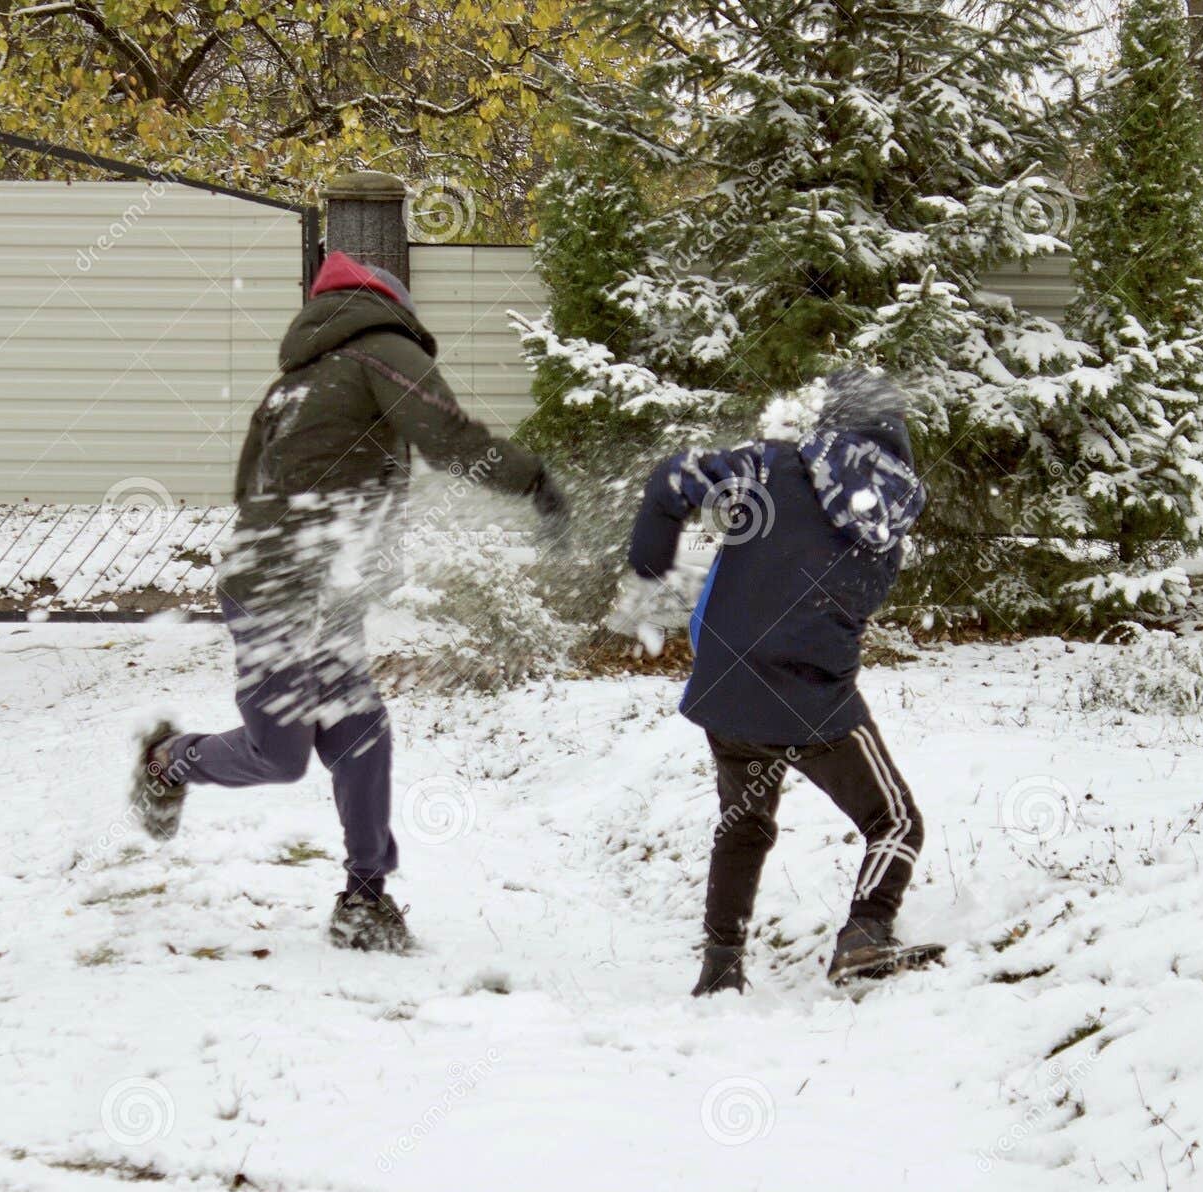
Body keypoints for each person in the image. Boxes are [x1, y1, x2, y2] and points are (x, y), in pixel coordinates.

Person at [131, 250, 568, 953]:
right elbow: (447, 435)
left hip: (313, 590)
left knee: (361, 732)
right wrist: (532, 481)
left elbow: (249, 491)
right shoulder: (382, 350)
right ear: (391, 306)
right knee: (281, 758)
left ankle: (365, 898)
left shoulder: (287, 386)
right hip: (277, 594)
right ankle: (168, 760)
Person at [608, 368, 927, 995]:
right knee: (895, 824)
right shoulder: (893, 512)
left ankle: (720, 971)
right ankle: (865, 934)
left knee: (744, 825)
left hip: (729, 689)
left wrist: (649, 569)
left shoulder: (767, 466)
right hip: (816, 705)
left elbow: (672, 479)